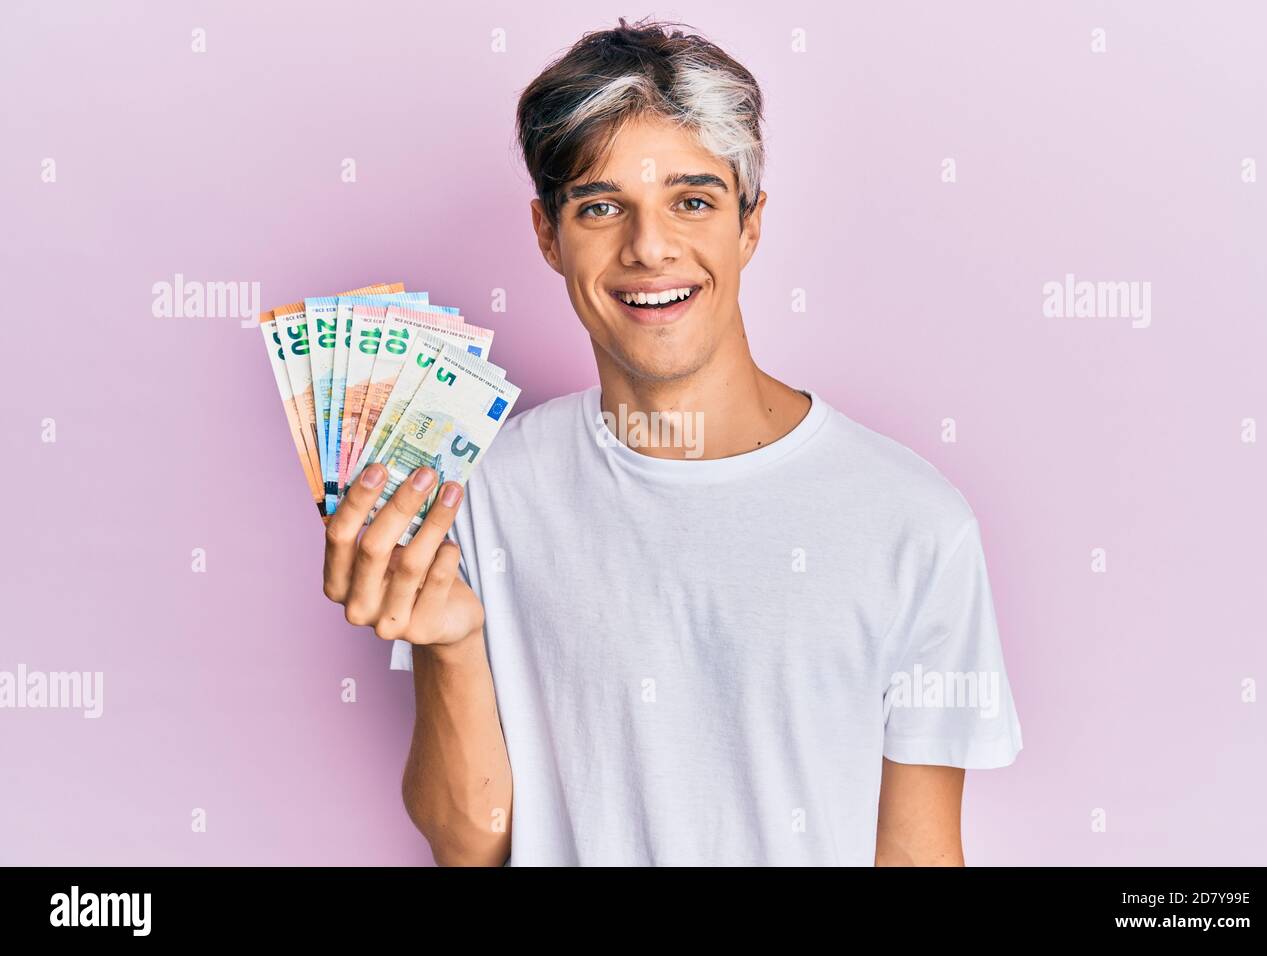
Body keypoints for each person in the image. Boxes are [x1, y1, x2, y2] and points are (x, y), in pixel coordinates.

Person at [322, 17, 1023, 866]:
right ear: (548, 236)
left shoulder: (914, 523)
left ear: (750, 224)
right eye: (600, 206)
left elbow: (915, 856)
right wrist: (449, 643)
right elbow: (472, 844)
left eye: (692, 201)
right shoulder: (481, 492)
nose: (649, 248)